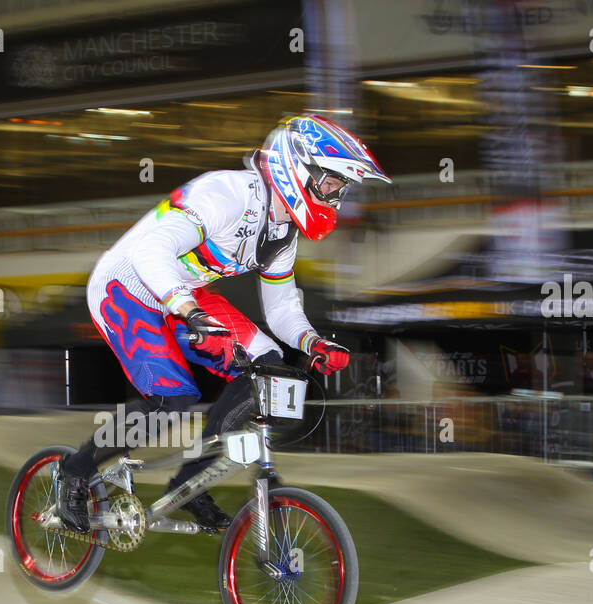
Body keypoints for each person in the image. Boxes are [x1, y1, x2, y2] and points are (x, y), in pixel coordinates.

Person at [56, 114, 391, 533]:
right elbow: (150, 252)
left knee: (267, 361)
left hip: (182, 297)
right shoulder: (227, 192)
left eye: (340, 189)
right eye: (332, 184)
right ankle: (76, 470)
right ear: (298, 168)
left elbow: (282, 306)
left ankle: (190, 482)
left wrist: (311, 342)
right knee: (172, 401)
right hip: (127, 286)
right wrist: (190, 312)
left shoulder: (281, 230)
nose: (335, 198)